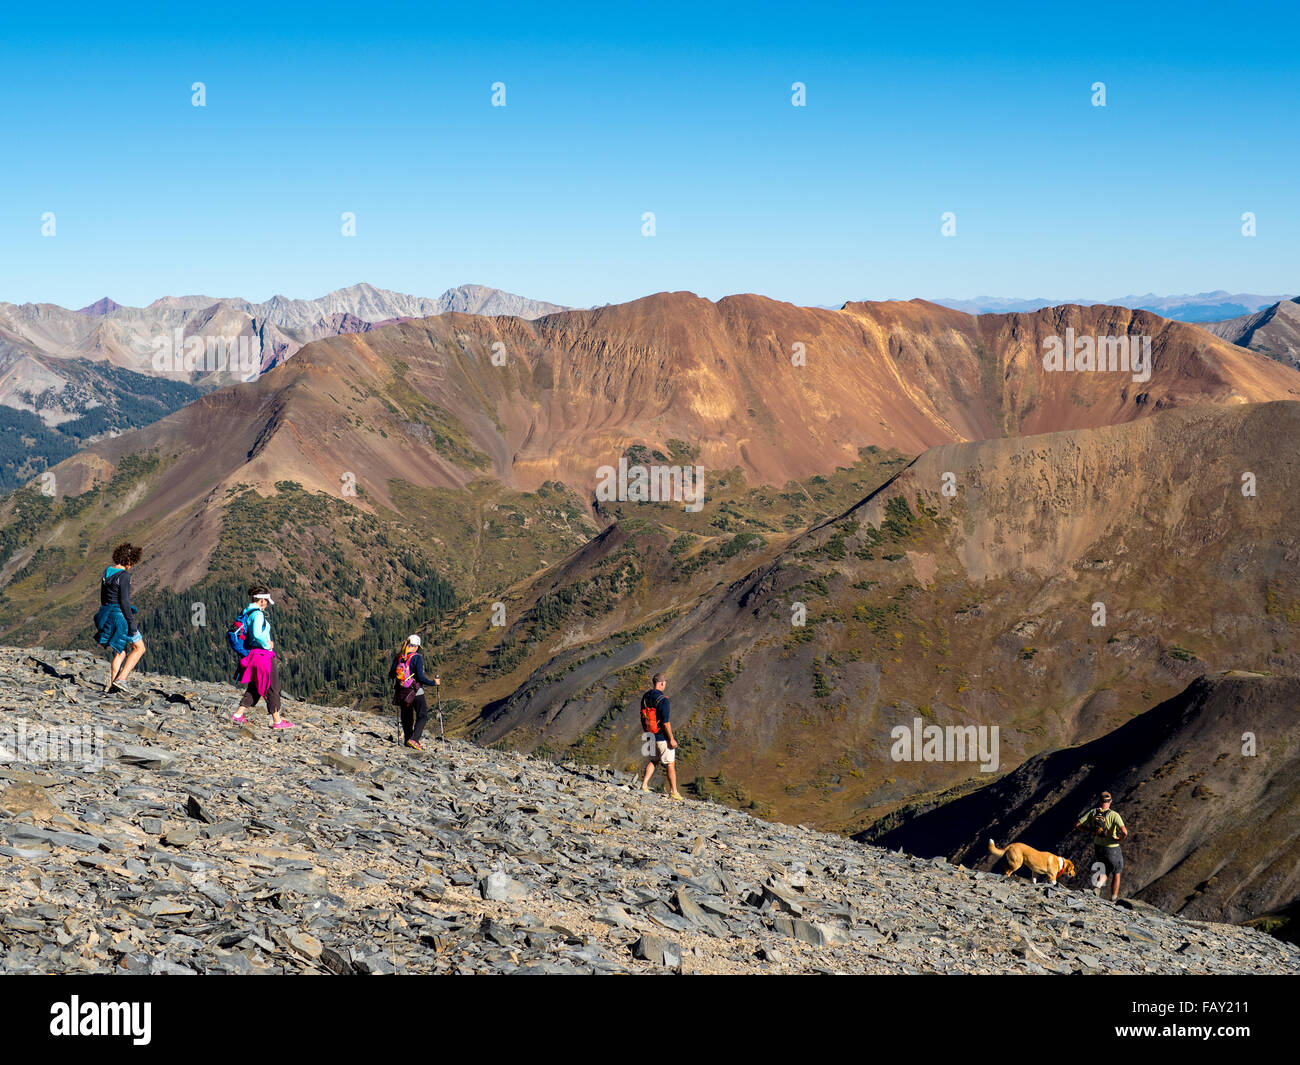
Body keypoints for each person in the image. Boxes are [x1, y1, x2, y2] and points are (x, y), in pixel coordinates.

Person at [230, 585, 293, 729]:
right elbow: (257, 634)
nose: (267, 605)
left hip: (253, 654)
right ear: (262, 600)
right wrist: (268, 644)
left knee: (255, 686)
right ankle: (277, 721)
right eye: (266, 601)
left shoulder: (248, 612)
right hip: (262, 654)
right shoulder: (258, 614)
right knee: (272, 685)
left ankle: (238, 715)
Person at [94, 542, 145, 692]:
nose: (132, 565)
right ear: (129, 560)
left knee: (120, 650)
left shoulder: (107, 572)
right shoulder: (124, 576)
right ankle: (121, 679)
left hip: (108, 612)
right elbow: (124, 601)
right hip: (121, 616)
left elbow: (103, 597)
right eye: (133, 561)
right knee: (139, 648)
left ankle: (113, 686)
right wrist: (132, 625)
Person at [1075, 790, 1128, 901]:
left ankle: (1097, 887)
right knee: (1117, 873)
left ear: (1100, 801)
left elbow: (1078, 825)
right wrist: (1119, 839)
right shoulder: (1114, 815)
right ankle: (1113, 898)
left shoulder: (1093, 812)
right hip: (1112, 847)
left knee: (1104, 868)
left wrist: (1090, 831)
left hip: (1098, 846)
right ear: (1111, 801)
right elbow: (1124, 832)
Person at [390, 634, 439, 751]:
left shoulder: (398, 657)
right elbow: (421, 678)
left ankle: (408, 740)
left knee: (407, 717)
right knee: (422, 715)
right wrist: (434, 683)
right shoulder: (417, 658)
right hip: (415, 692)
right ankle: (414, 739)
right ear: (416, 646)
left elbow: (391, 674)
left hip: (401, 692)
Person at [639, 672, 682, 800]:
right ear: (662, 683)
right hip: (661, 737)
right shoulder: (663, 700)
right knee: (670, 764)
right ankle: (674, 792)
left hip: (649, 735)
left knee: (653, 760)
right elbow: (665, 722)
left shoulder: (645, 697)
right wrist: (672, 739)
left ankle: (644, 784)